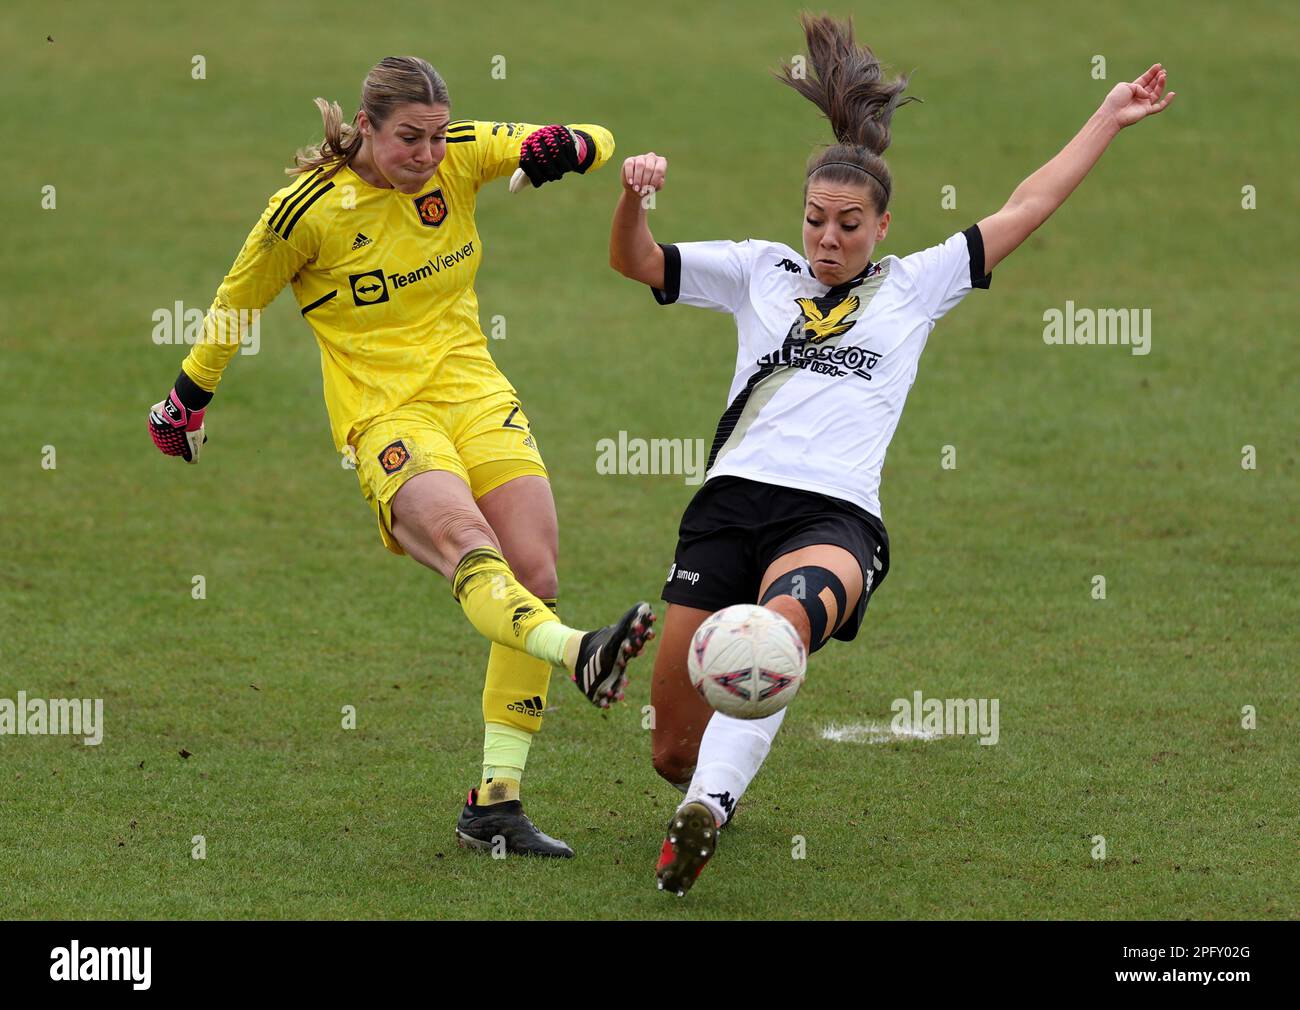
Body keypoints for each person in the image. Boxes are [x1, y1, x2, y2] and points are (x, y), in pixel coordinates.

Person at [609, 14, 1174, 895]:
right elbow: (635, 262)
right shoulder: (759, 269)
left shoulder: (916, 286)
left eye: (847, 225)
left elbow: (1029, 203)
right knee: (671, 744)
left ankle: (706, 816)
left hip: (832, 517)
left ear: (882, 225)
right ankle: (704, 784)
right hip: (725, 508)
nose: (827, 240)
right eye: (815, 221)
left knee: (778, 631)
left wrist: (1107, 113)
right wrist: (634, 197)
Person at [148, 56, 656, 858]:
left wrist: (565, 148)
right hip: (386, 416)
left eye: (433, 138)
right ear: (367, 127)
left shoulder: (457, 152)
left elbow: (593, 138)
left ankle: (495, 802)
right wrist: (187, 399)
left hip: (477, 395)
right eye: (406, 139)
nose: (426, 155)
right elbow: (237, 300)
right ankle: (578, 650)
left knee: (536, 573)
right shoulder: (304, 213)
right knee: (469, 546)